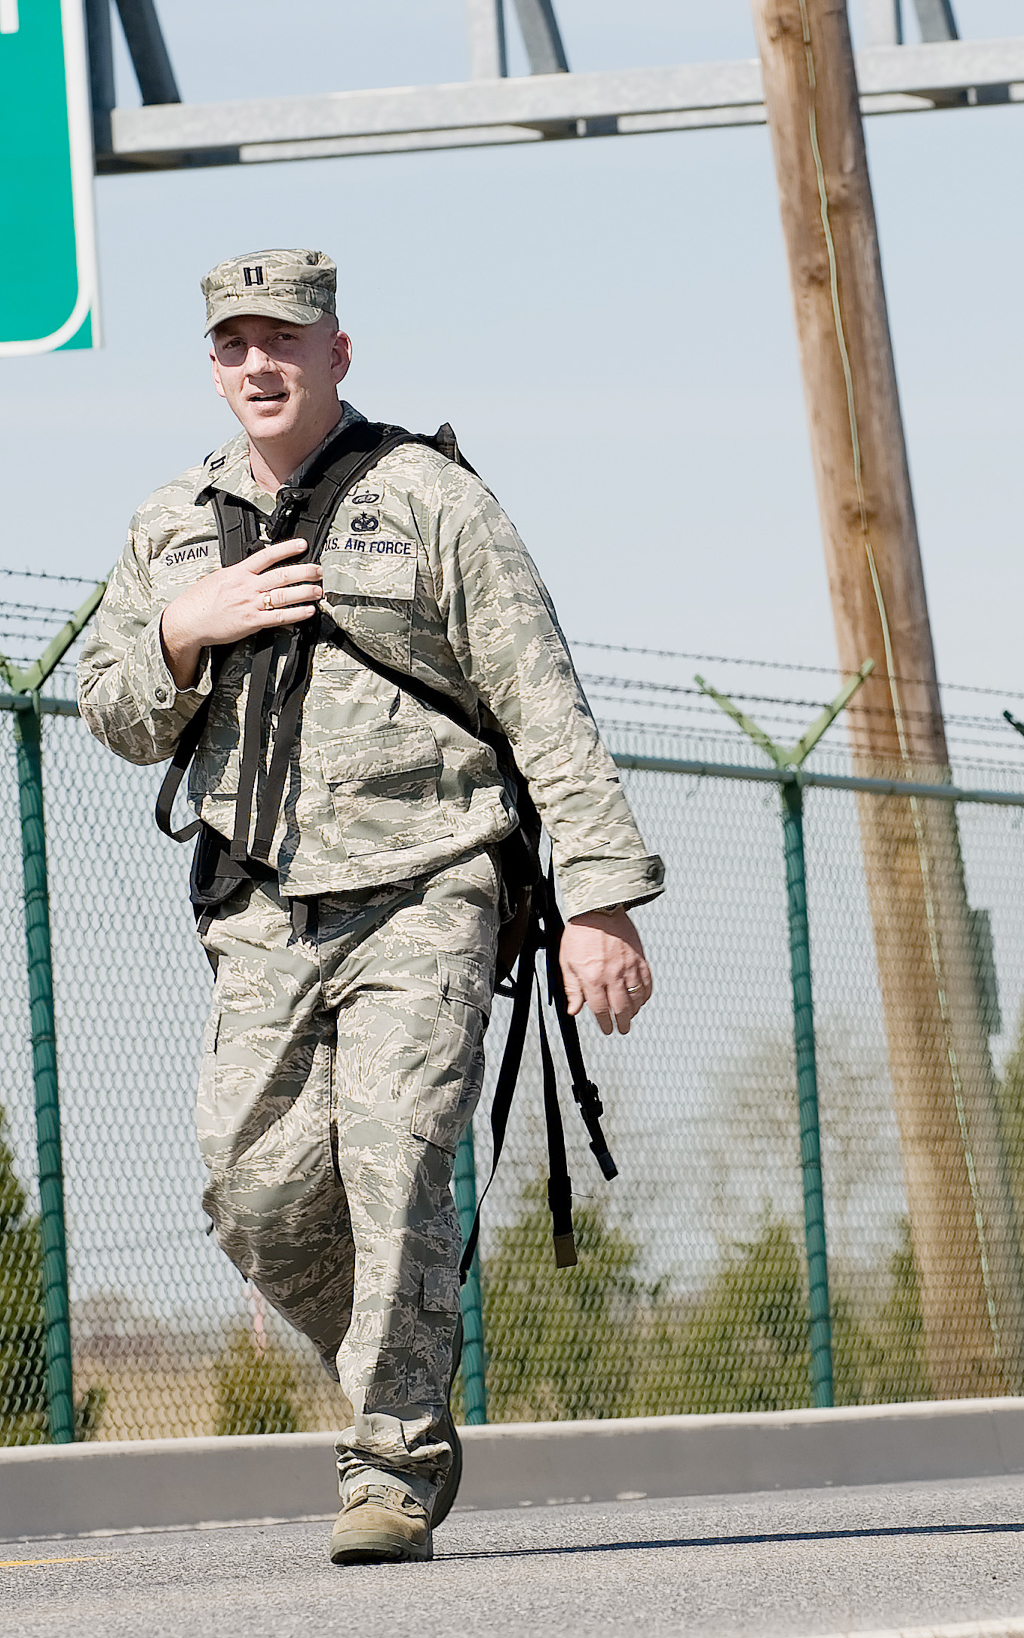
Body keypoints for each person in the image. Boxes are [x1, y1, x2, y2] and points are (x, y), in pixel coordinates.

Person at [78, 249, 664, 1565]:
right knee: (255, 1190)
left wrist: (601, 898)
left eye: (283, 338)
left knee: (395, 1156)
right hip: (264, 906)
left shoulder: (430, 498)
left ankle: (394, 1449)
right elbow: (113, 707)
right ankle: (405, 1355)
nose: (258, 363)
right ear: (213, 365)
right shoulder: (172, 522)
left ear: (340, 351)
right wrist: (186, 628)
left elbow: (544, 700)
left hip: (430, 880)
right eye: (233, 344)